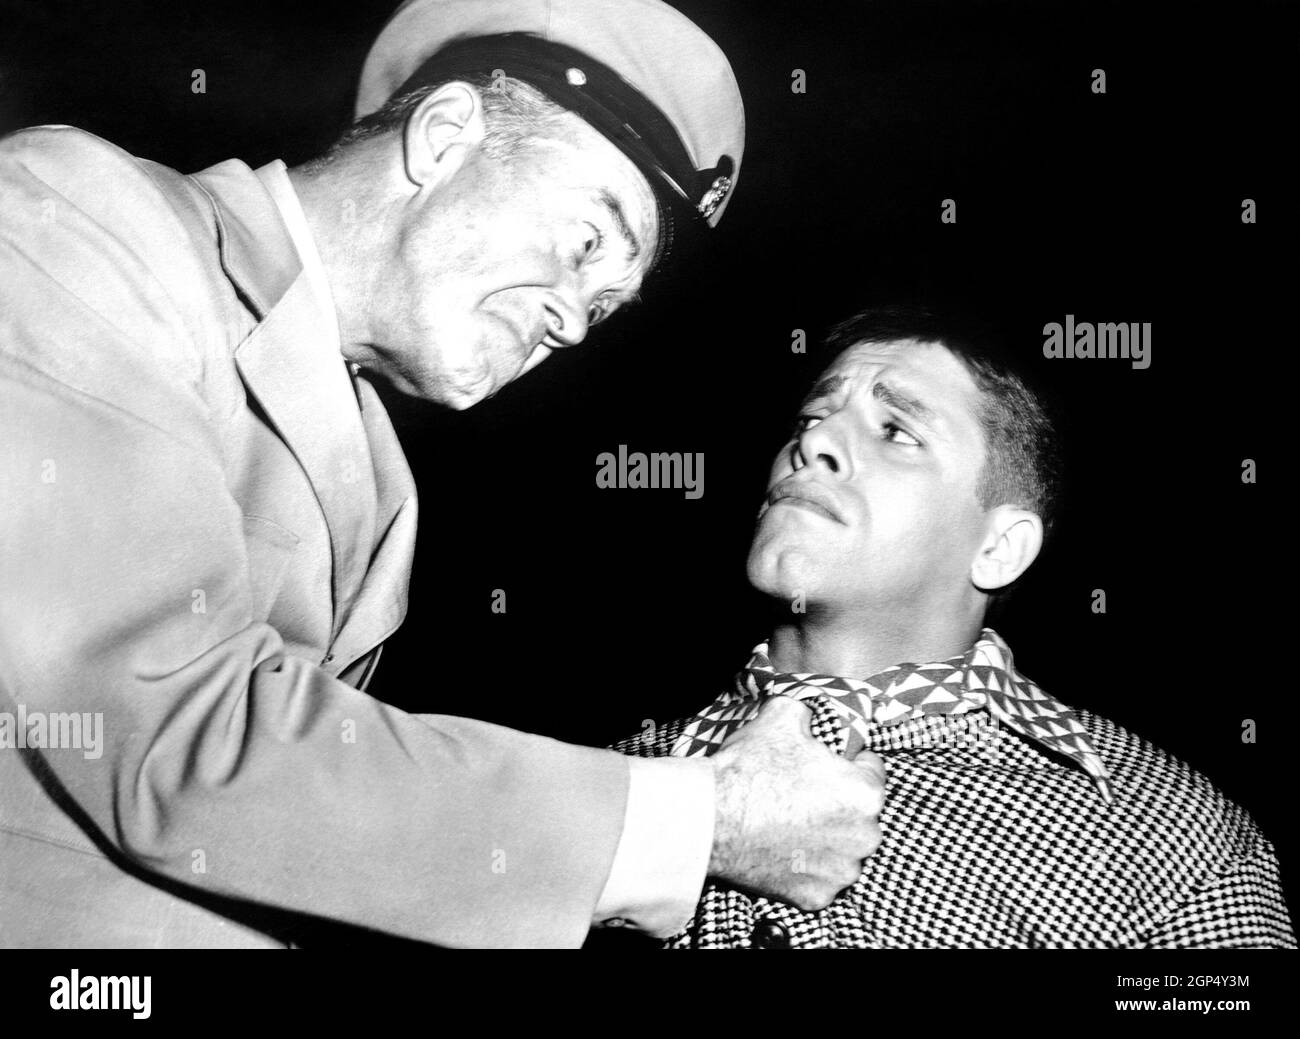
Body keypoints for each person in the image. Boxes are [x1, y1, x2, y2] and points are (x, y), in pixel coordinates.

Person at [0, 0, 885, 948]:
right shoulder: (75, 218)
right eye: (588, 243)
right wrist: (694, 818)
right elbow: (169, 737)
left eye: (607, 304)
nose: (575, 323)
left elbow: (284, 840)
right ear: (444, 134)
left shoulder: (384, 481)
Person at [613, 304, 1296, 949]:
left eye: (896, 432)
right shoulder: (618, 777)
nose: (814, 439)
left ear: (998, 548)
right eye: (809, 416)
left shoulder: (1169, 837)